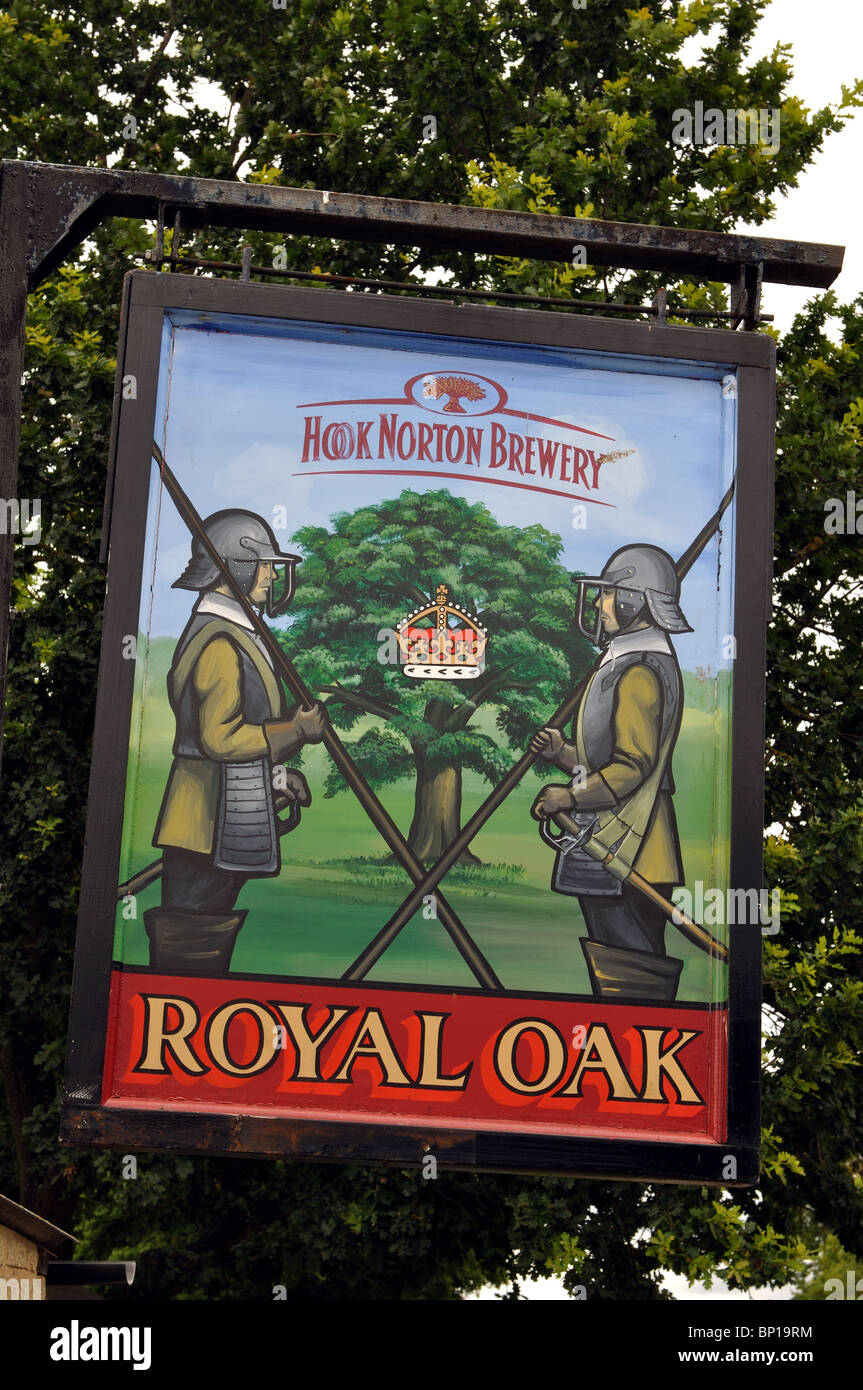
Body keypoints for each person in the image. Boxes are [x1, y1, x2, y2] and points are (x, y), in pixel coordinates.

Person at [146, 510, 327, 975]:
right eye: (264, 565)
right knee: (191, 949)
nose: (270, 577)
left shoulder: (235, 631)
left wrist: (277, 777)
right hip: (204, 828)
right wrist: (296, 731)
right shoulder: (220, 643)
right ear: (237, 567)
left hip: (224, 818)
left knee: (207, 940)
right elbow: (221, 740)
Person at [530, 544, 690, 1003]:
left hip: (632, 844)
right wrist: (565, 755)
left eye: (607, 595)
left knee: (632, 973)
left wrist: (570, 798)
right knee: (614, 965)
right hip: (614, 839)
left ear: (635, 600)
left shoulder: (640, 672)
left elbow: (632, 769)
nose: (598, 605)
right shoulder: (624, 660)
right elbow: (606, 762)